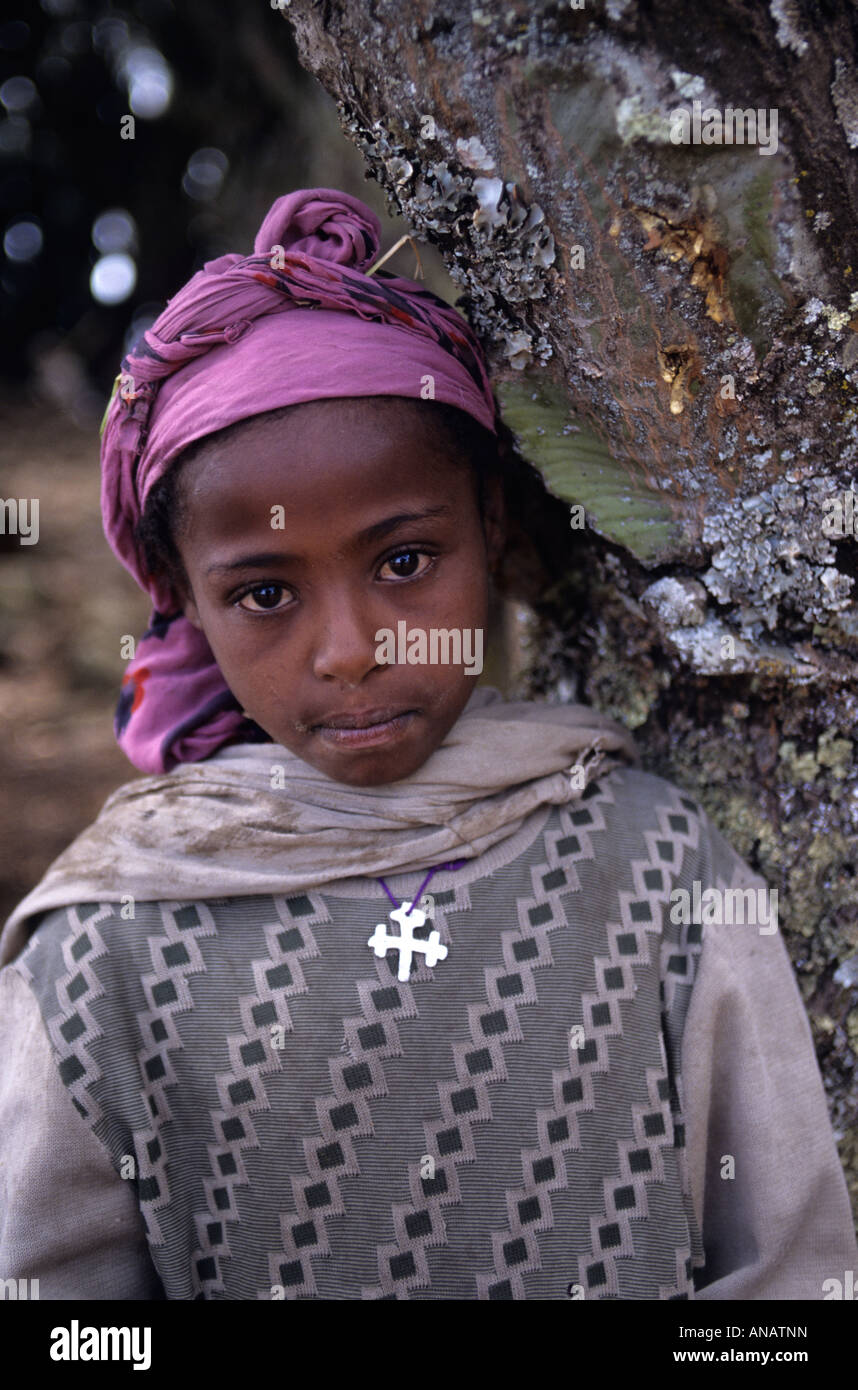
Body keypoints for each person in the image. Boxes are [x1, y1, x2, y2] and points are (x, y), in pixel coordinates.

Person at [0, 188, 854, 1301]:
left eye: (403, 562)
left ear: (492, 530)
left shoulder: (655, 869)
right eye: (263, 591)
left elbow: (793, 1275)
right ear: (181, 602)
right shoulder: (102, 950)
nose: (350, 650)